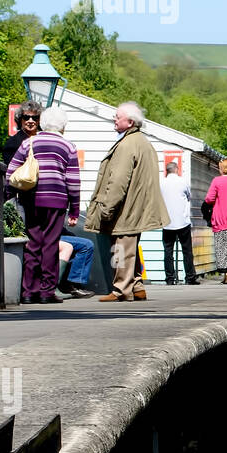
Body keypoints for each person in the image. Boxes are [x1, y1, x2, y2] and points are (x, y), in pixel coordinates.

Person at [84, 102, 169, 303]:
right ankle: (137, 286)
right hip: (138, 206)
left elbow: (118, 181)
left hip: (126, 208)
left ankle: (121, 288)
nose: (114, 119)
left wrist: (107, 207)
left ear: (129, 122)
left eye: (117, 117)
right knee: (130, 247)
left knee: (121, 248)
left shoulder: (126, 145)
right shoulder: (143, 142)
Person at [5, 106, 81, 305]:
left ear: (42, 123)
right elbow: (73, 181)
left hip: (31, 199)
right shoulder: (69, 147)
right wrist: (74, 209)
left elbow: (11, 171)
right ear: (63, 125)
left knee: (33, 244)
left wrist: (10, 194)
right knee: (50, 245)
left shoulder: (29, 142)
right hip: (56, 201)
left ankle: (29, 291)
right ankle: (47, 291)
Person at [159, 159, 199, 285]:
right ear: (176, 170)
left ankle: (170, 278)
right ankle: (190, 277)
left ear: (167, 171)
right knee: (187, 250)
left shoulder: (161, 183)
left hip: (167, 222)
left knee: (168, 251)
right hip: (182, 221)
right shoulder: (183, 182)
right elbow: (188, 196)